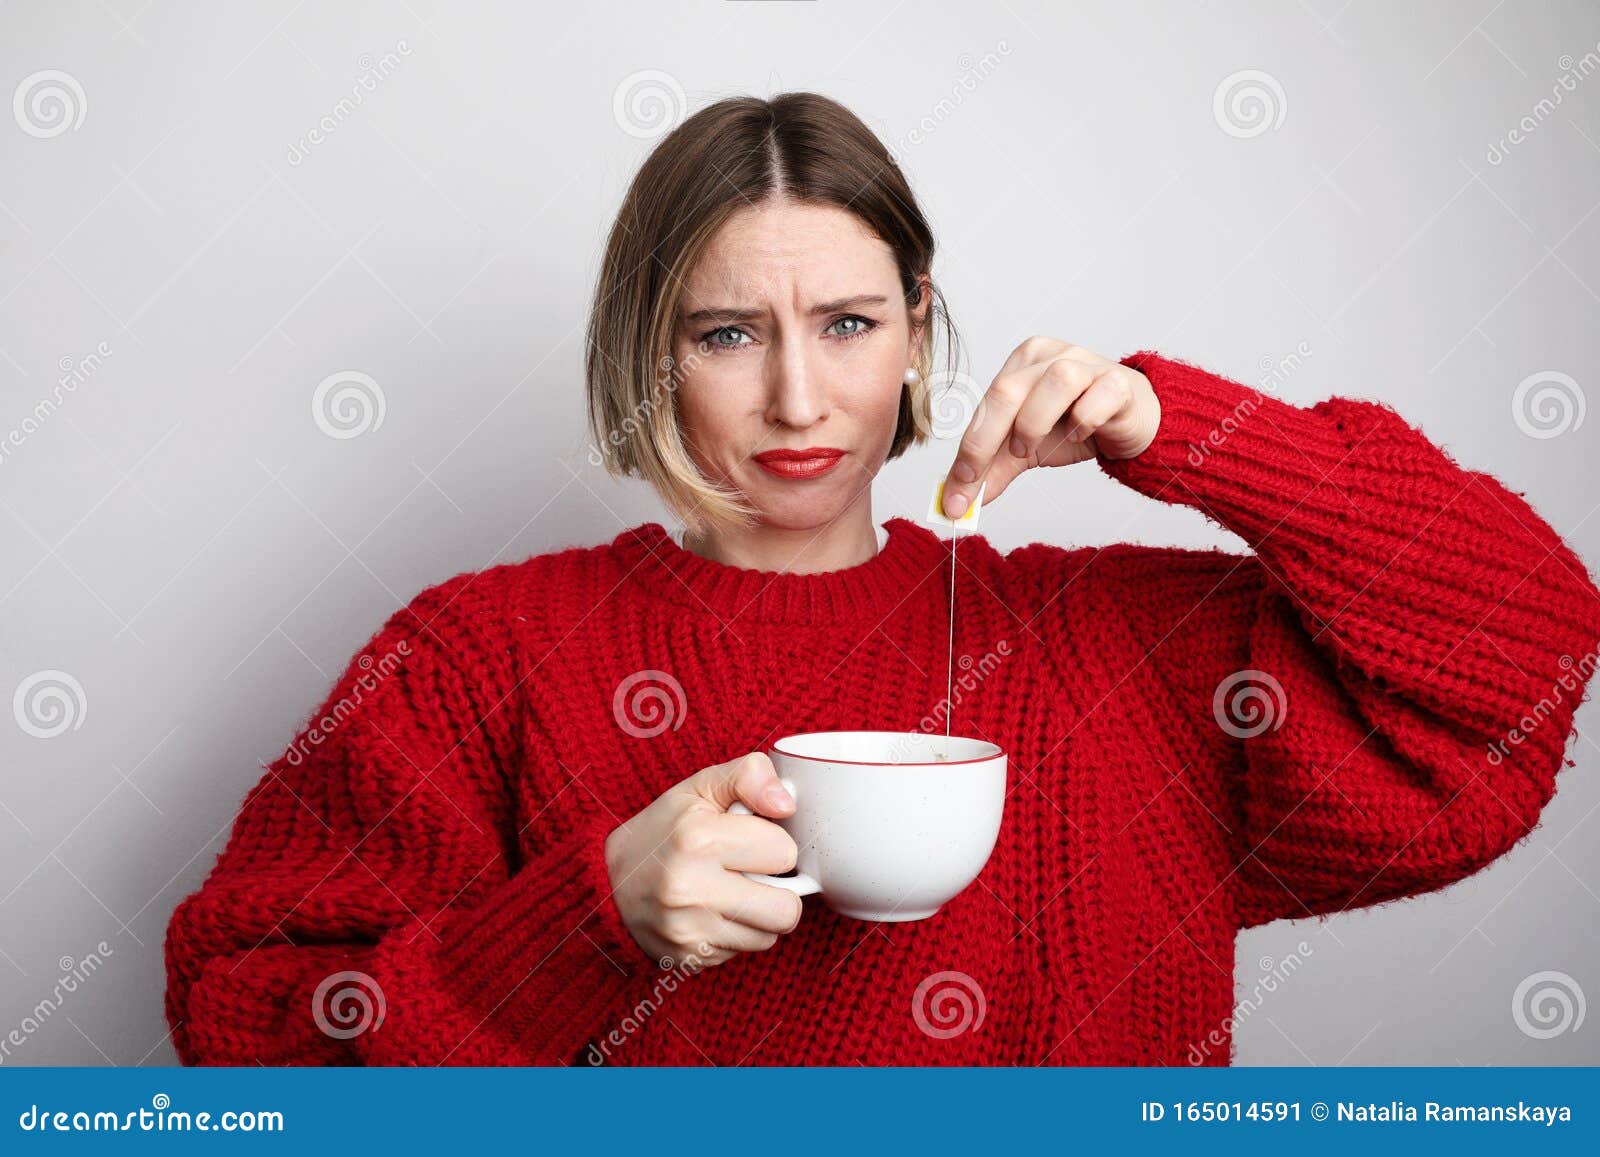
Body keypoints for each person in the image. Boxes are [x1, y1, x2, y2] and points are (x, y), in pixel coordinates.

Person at [164, 92, 1600, 1066]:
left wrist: (1193, 430)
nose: (799, 397)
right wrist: (586, 919)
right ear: (646, 349)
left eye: (848, 323)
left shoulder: (1118, 645)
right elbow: (244, 1040)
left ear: (916, 331)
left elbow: (1525, 651)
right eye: (727, 333)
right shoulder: (481, 656)